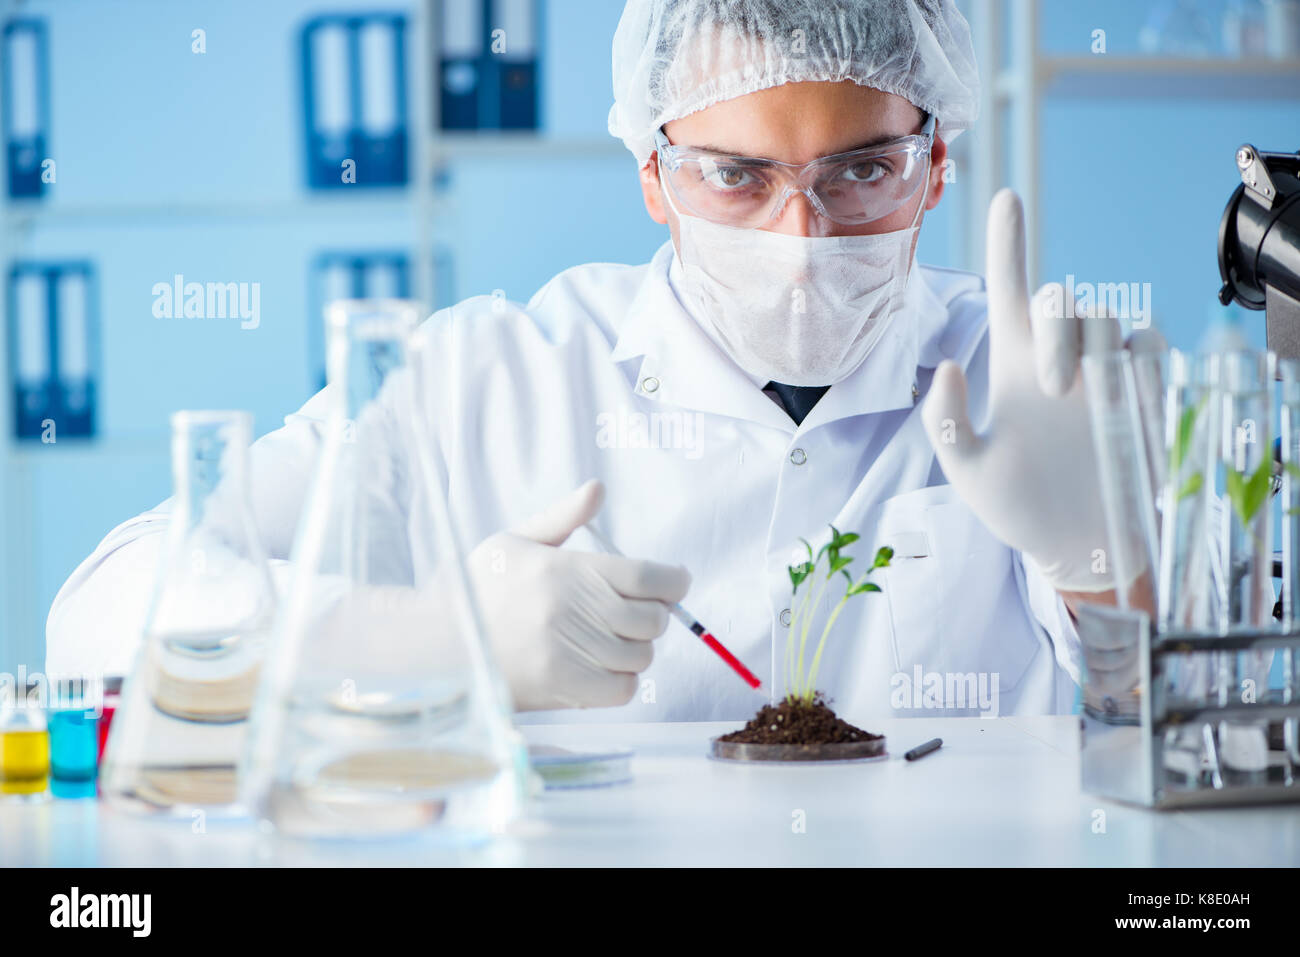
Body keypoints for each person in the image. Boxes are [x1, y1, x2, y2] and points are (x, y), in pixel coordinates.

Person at [47, 0, 1132, 724]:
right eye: (736, 178)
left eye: (859, 173)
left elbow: (1213, 759)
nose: (799, 244)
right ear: (653, 176)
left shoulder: (1037, 383)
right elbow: (98, 616)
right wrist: (433, 638)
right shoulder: (481, 381)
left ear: (935, 163)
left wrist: (1103, 569)